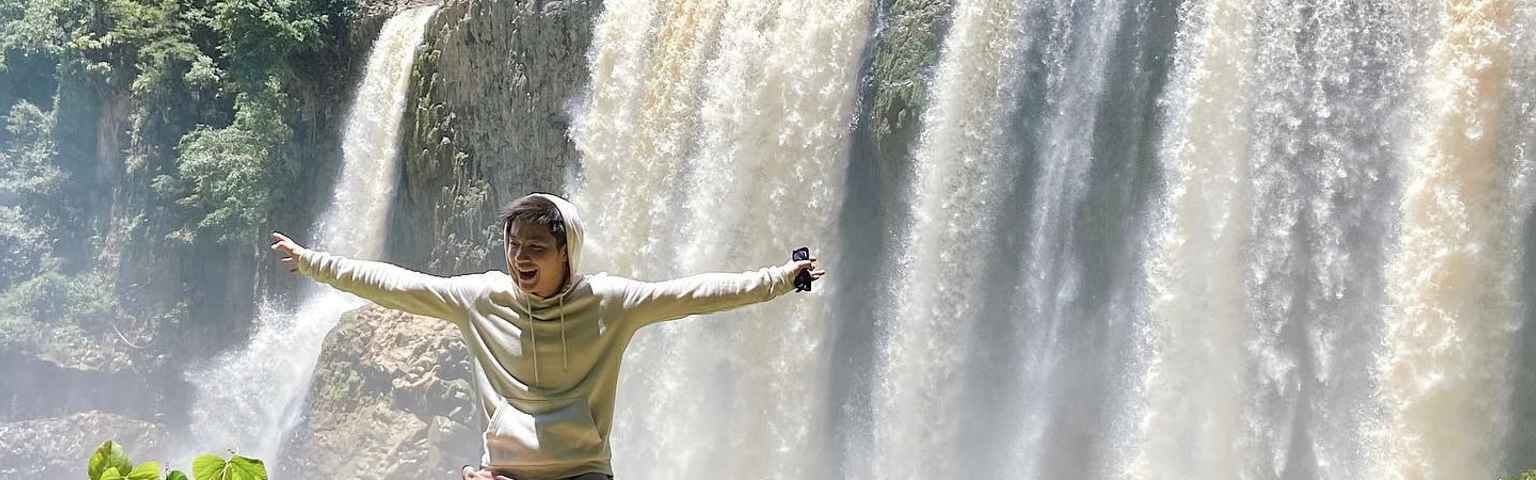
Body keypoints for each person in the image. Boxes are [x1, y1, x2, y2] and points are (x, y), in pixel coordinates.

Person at [268, 192, 825, 480]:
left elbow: (695, 293)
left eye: (536, 246)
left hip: (583, 475)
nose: (520, 258)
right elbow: (397, 284)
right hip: (504, 473)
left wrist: (780, 278)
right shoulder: (482, 298)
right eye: (513, 245)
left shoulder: (611, 303)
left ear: (566, 252)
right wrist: (314, 263)